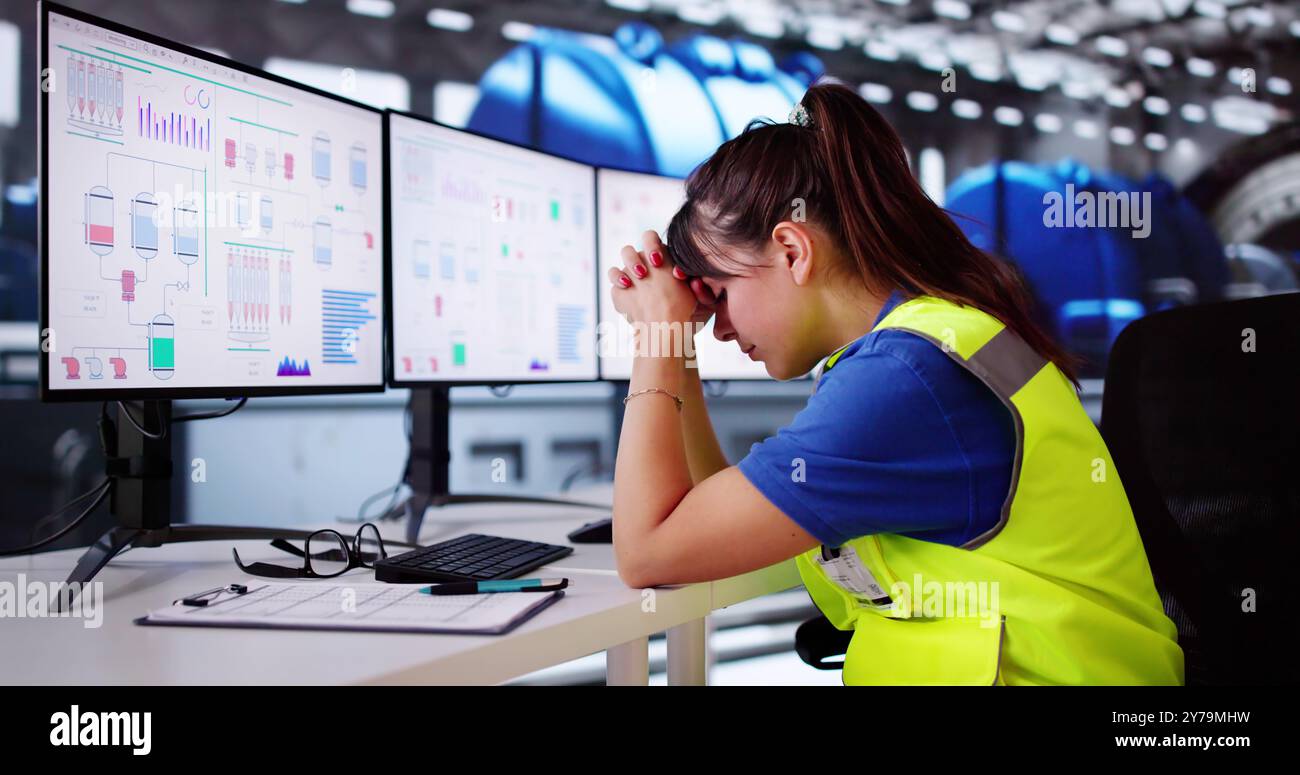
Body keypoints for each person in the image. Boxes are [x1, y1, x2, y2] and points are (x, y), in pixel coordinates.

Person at [605, 81, 1183, 685]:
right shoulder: (925, 344)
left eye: (719, 296)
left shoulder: (904, 381)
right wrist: (679, 347)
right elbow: (700, 517)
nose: (716, 328)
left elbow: (649, 552)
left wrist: (656, 335)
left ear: (792, 249)